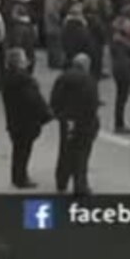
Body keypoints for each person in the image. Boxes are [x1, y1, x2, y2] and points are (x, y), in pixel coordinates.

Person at [1, 48, 52, 189]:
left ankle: (17, 176)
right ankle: (21, 178)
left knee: (17, 151)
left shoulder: (7, 78)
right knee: (23, 152)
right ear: (19, 62)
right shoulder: (24, 81)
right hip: (26, 122)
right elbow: (33, 100)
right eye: (23, 59)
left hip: (14, 120)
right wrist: (46, 114)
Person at [51, 53, 101, 196]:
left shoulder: (62, 77)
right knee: (81, 154)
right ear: (86, 65)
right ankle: (80, 185)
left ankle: (61, 182)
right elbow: (92, 103)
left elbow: (54, 99)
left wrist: (60, 115)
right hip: (83, 122)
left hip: (67, 120)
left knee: (65, 150)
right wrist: (93, 122)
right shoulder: (89, 80)